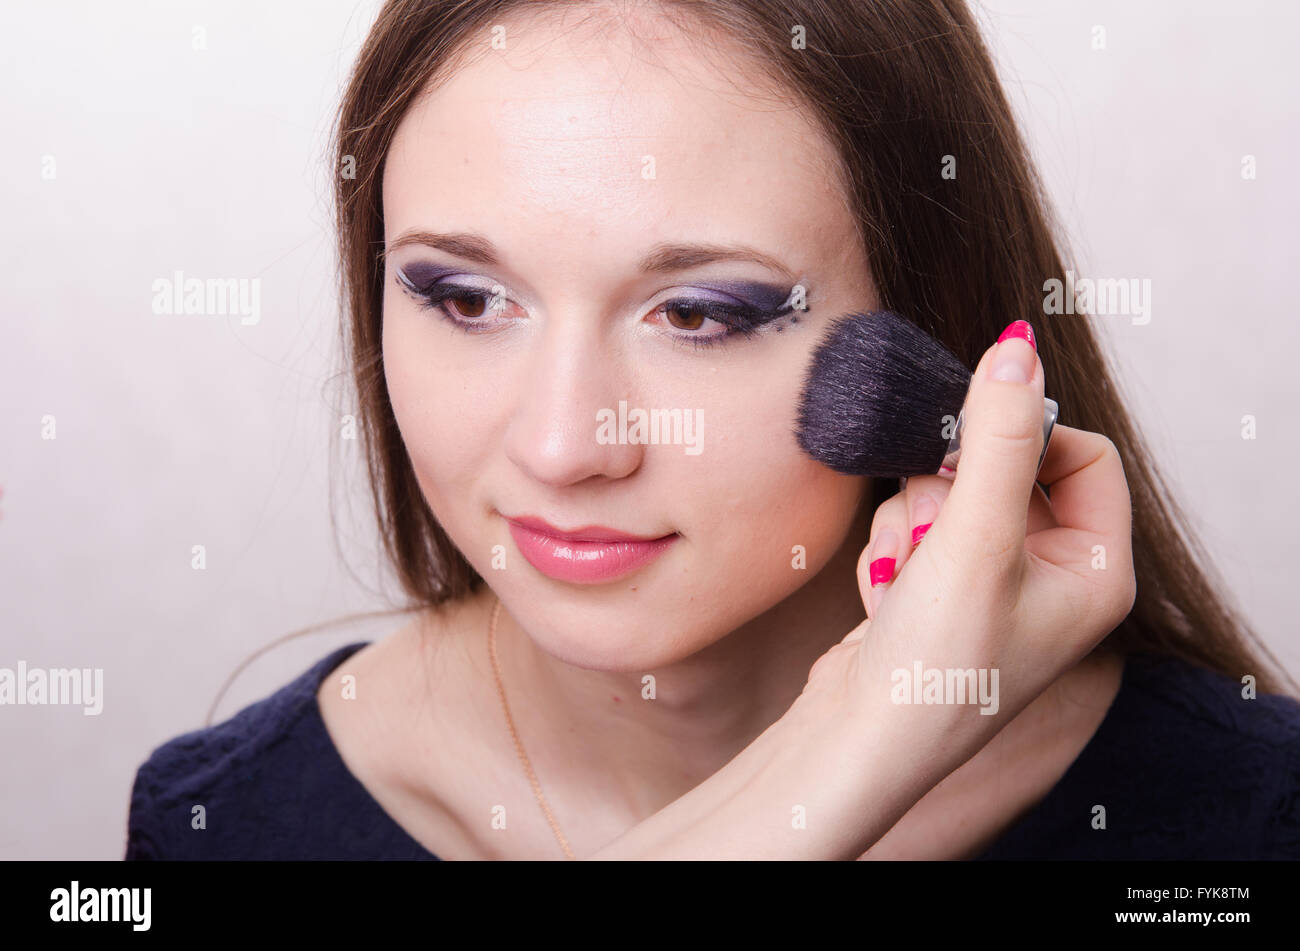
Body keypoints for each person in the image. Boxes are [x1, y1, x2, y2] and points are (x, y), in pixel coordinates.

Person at [126, 0, 1300, 861]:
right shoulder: (225, 826)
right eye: (468, 299)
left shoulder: (1242, 824)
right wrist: (848, 747)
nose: (563, 444)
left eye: (697, 313)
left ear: (924, 325)